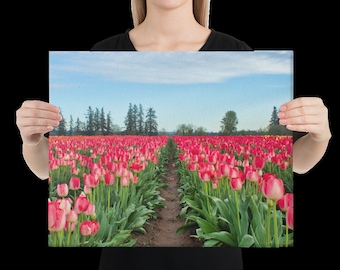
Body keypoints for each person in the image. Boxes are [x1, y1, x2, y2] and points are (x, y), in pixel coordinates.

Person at [15, 0, 332, 270]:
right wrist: (32, 140)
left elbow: (298, 165)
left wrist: (320, 137)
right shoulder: (101, 52)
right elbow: (45, 169)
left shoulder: (236, 51)